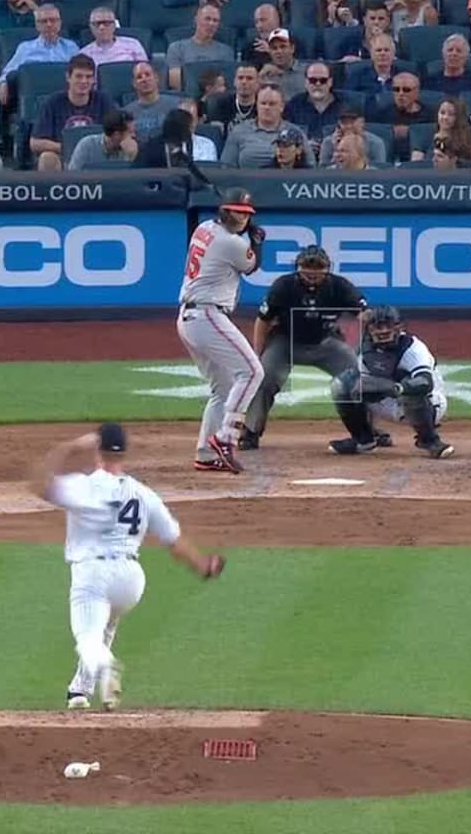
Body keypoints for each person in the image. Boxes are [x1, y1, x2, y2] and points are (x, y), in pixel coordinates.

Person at [33, 424, 226, 712]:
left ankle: (107, 666)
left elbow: (39, 484)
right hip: (131, 581)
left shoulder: (85, 485)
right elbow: (174, 541)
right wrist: (203, 565)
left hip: (93, 573)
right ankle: (80, 691)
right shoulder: (143, 493)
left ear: (97, 450)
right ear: (124, 453)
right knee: (105, 627)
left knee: (88, 638)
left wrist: (68, 448)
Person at [239, 245, 369, 450]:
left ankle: (368, 431)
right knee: (264, 378)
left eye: (318, 268)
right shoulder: (283, 286)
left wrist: (363, 338)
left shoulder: (339, 286)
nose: (313, 273)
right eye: (308, 268)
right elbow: (263, 320)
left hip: (326, 342)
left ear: (328, 268)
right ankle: (251, 431)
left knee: (359, 379)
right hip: (285, 341)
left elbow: (364, 314)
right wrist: (258, 354)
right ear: (298, 268)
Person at [178, 187, 265, 474]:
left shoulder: (204, 227)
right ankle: (225, 438)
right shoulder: (232, 244)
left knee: (224, 388)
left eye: (246, 214)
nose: (242, 218)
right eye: (237, 213)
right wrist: (257, 241)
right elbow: (251, 266)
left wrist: (247, 235)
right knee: (252, 372)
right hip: (207, 315)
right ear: (224, 211)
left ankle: (206, 454)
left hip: (191, 317)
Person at [326, 306, 454, 460]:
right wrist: (370, 389)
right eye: (377, 326)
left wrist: (397, 388)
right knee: (341, 385)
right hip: (388, 403)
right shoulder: (364, 350)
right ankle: (364, 439)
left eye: (388, 325)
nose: (383, 331)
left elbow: (425, 383)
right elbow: (362, 385)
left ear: (399, 327)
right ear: (369, 329)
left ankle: (430, 441)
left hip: (430, 404)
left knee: (411, 387)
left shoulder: (412, 348)